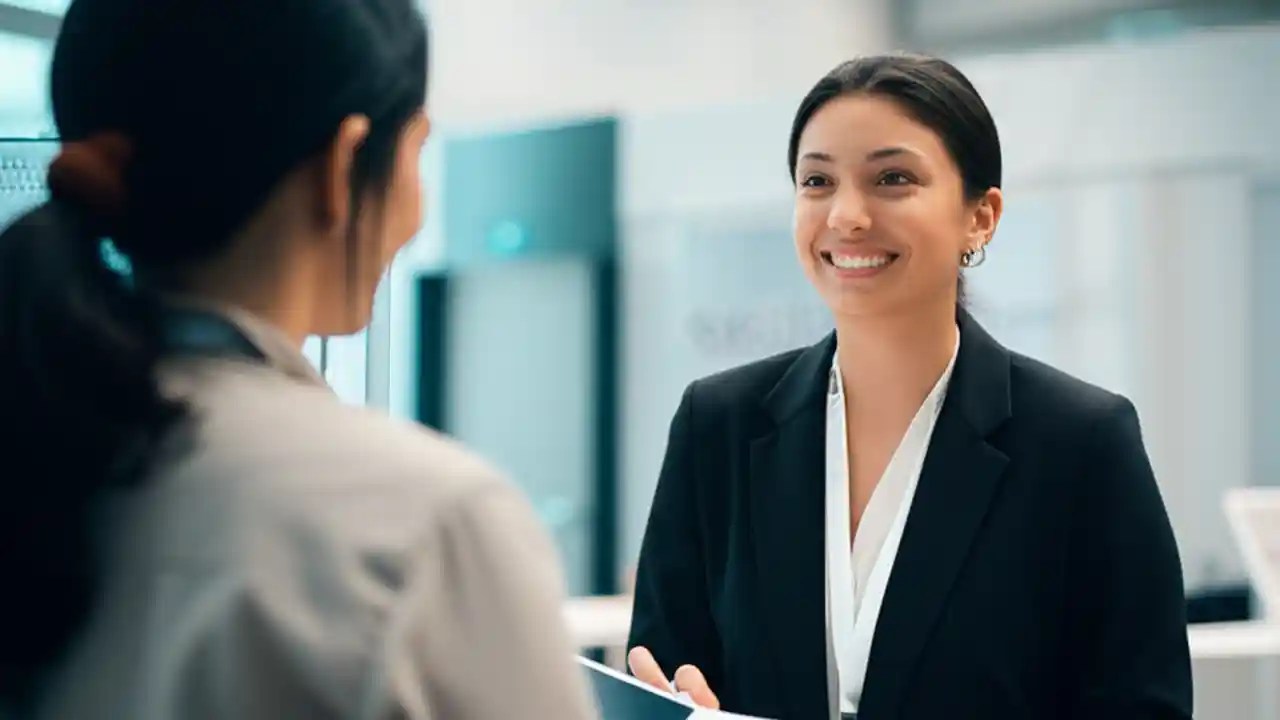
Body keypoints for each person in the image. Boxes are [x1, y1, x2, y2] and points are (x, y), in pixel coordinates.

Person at [0, 1, 596, 718]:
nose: (417, 204)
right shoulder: (422, 523)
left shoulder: (41, 443)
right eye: (416, 150)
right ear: (344, 164)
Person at [626, 54, 1193, 720]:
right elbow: (660, 671)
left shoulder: (1080, 442)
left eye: (892, 178)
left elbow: (1141, 708)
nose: (847, 216)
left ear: (980, 217)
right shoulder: (716, 425)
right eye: (816, 181)